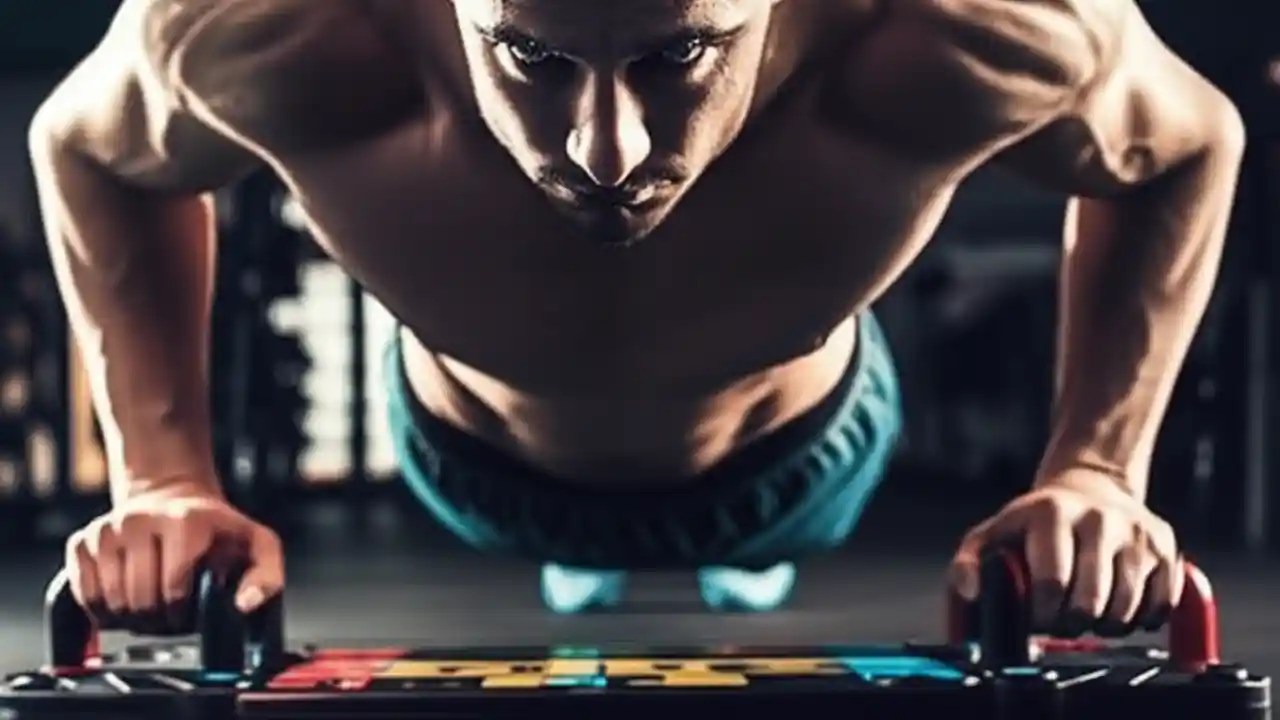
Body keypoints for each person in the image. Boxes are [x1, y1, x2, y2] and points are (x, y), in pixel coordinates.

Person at [28, 0, 1244, 632]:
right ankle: (615, 565)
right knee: (605, 565)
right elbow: (87, 150)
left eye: (676, 57)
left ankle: (734, 559)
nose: (602, 150)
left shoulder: (969, 34)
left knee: (748, 558)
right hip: (472, 462)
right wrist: (161, 481)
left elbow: (1186, 145)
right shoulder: (265, 34)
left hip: (793, 458)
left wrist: (1097, 472)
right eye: (529, 55)